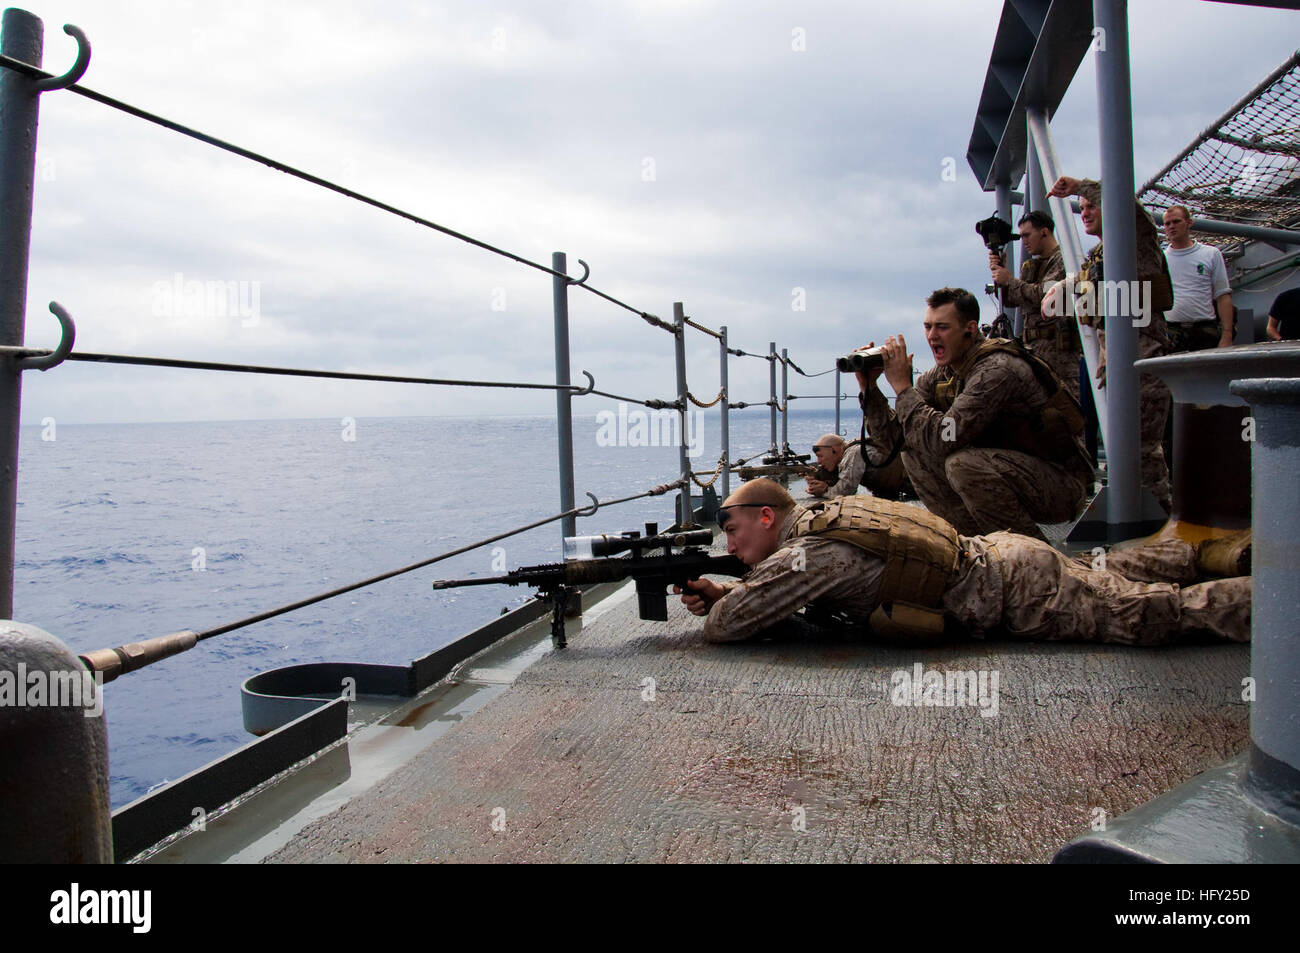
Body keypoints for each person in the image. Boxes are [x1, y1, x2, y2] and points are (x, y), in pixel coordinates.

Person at [677, 479, 1250, 645]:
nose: (729, 546)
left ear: (768, 517)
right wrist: (732, 591)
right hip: (1007, 553)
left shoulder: (805, 553)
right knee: (1114, 570)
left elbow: (728, 628)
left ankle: (1274, 603)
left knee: (1152, 614)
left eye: (732, 529)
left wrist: (723, 602)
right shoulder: (830, 514)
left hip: (1019, 594)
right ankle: (1213, 551)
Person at [858, 287, 1090, 541]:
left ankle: (1029, 554)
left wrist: (903, 389)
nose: (932, 336)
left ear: (969, 328)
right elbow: (896, 442)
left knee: (962, 465)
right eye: (928, 327)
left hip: (1060, 485)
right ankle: (973, 546)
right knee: (914, 452)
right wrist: (870, 391)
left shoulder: (997, 370)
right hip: (1012, 474)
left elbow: (944, 437)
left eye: (942, 327)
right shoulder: (942, 374)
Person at [1043, 175, 1173, 513]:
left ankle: (1153, 517)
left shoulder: (1133, 238)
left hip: (1143, 353)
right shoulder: (1099, 254)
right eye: (1081, 208)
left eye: (1091, 206)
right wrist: (1064, 290)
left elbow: (1124, 204)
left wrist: (1079, 187)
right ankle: (1136, 515)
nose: (1084, 212)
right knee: (1124, 447)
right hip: (1115, 358)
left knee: (1141, 446)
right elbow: (1096, 301)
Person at [989, 210, 1077, 401]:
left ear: (1044, 232)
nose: (1024, 241)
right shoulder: (1035, 265)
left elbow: (1045, 295)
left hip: (1059, 353)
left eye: (1027, 235)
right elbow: (1013, 300)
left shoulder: (1063, 260)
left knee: (1066, 407)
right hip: (1036, 350)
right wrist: (1001, 279)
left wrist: (1010, 281)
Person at [1161, 204, 1235, 352]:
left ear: (1189, 223)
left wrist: (1227, 335)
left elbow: (1223, 296)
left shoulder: (1211, 254)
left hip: (1204, 330)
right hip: (1171, 331)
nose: (1171, 226)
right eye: (1167, 223)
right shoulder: (1160, 258)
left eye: (1176, 221)